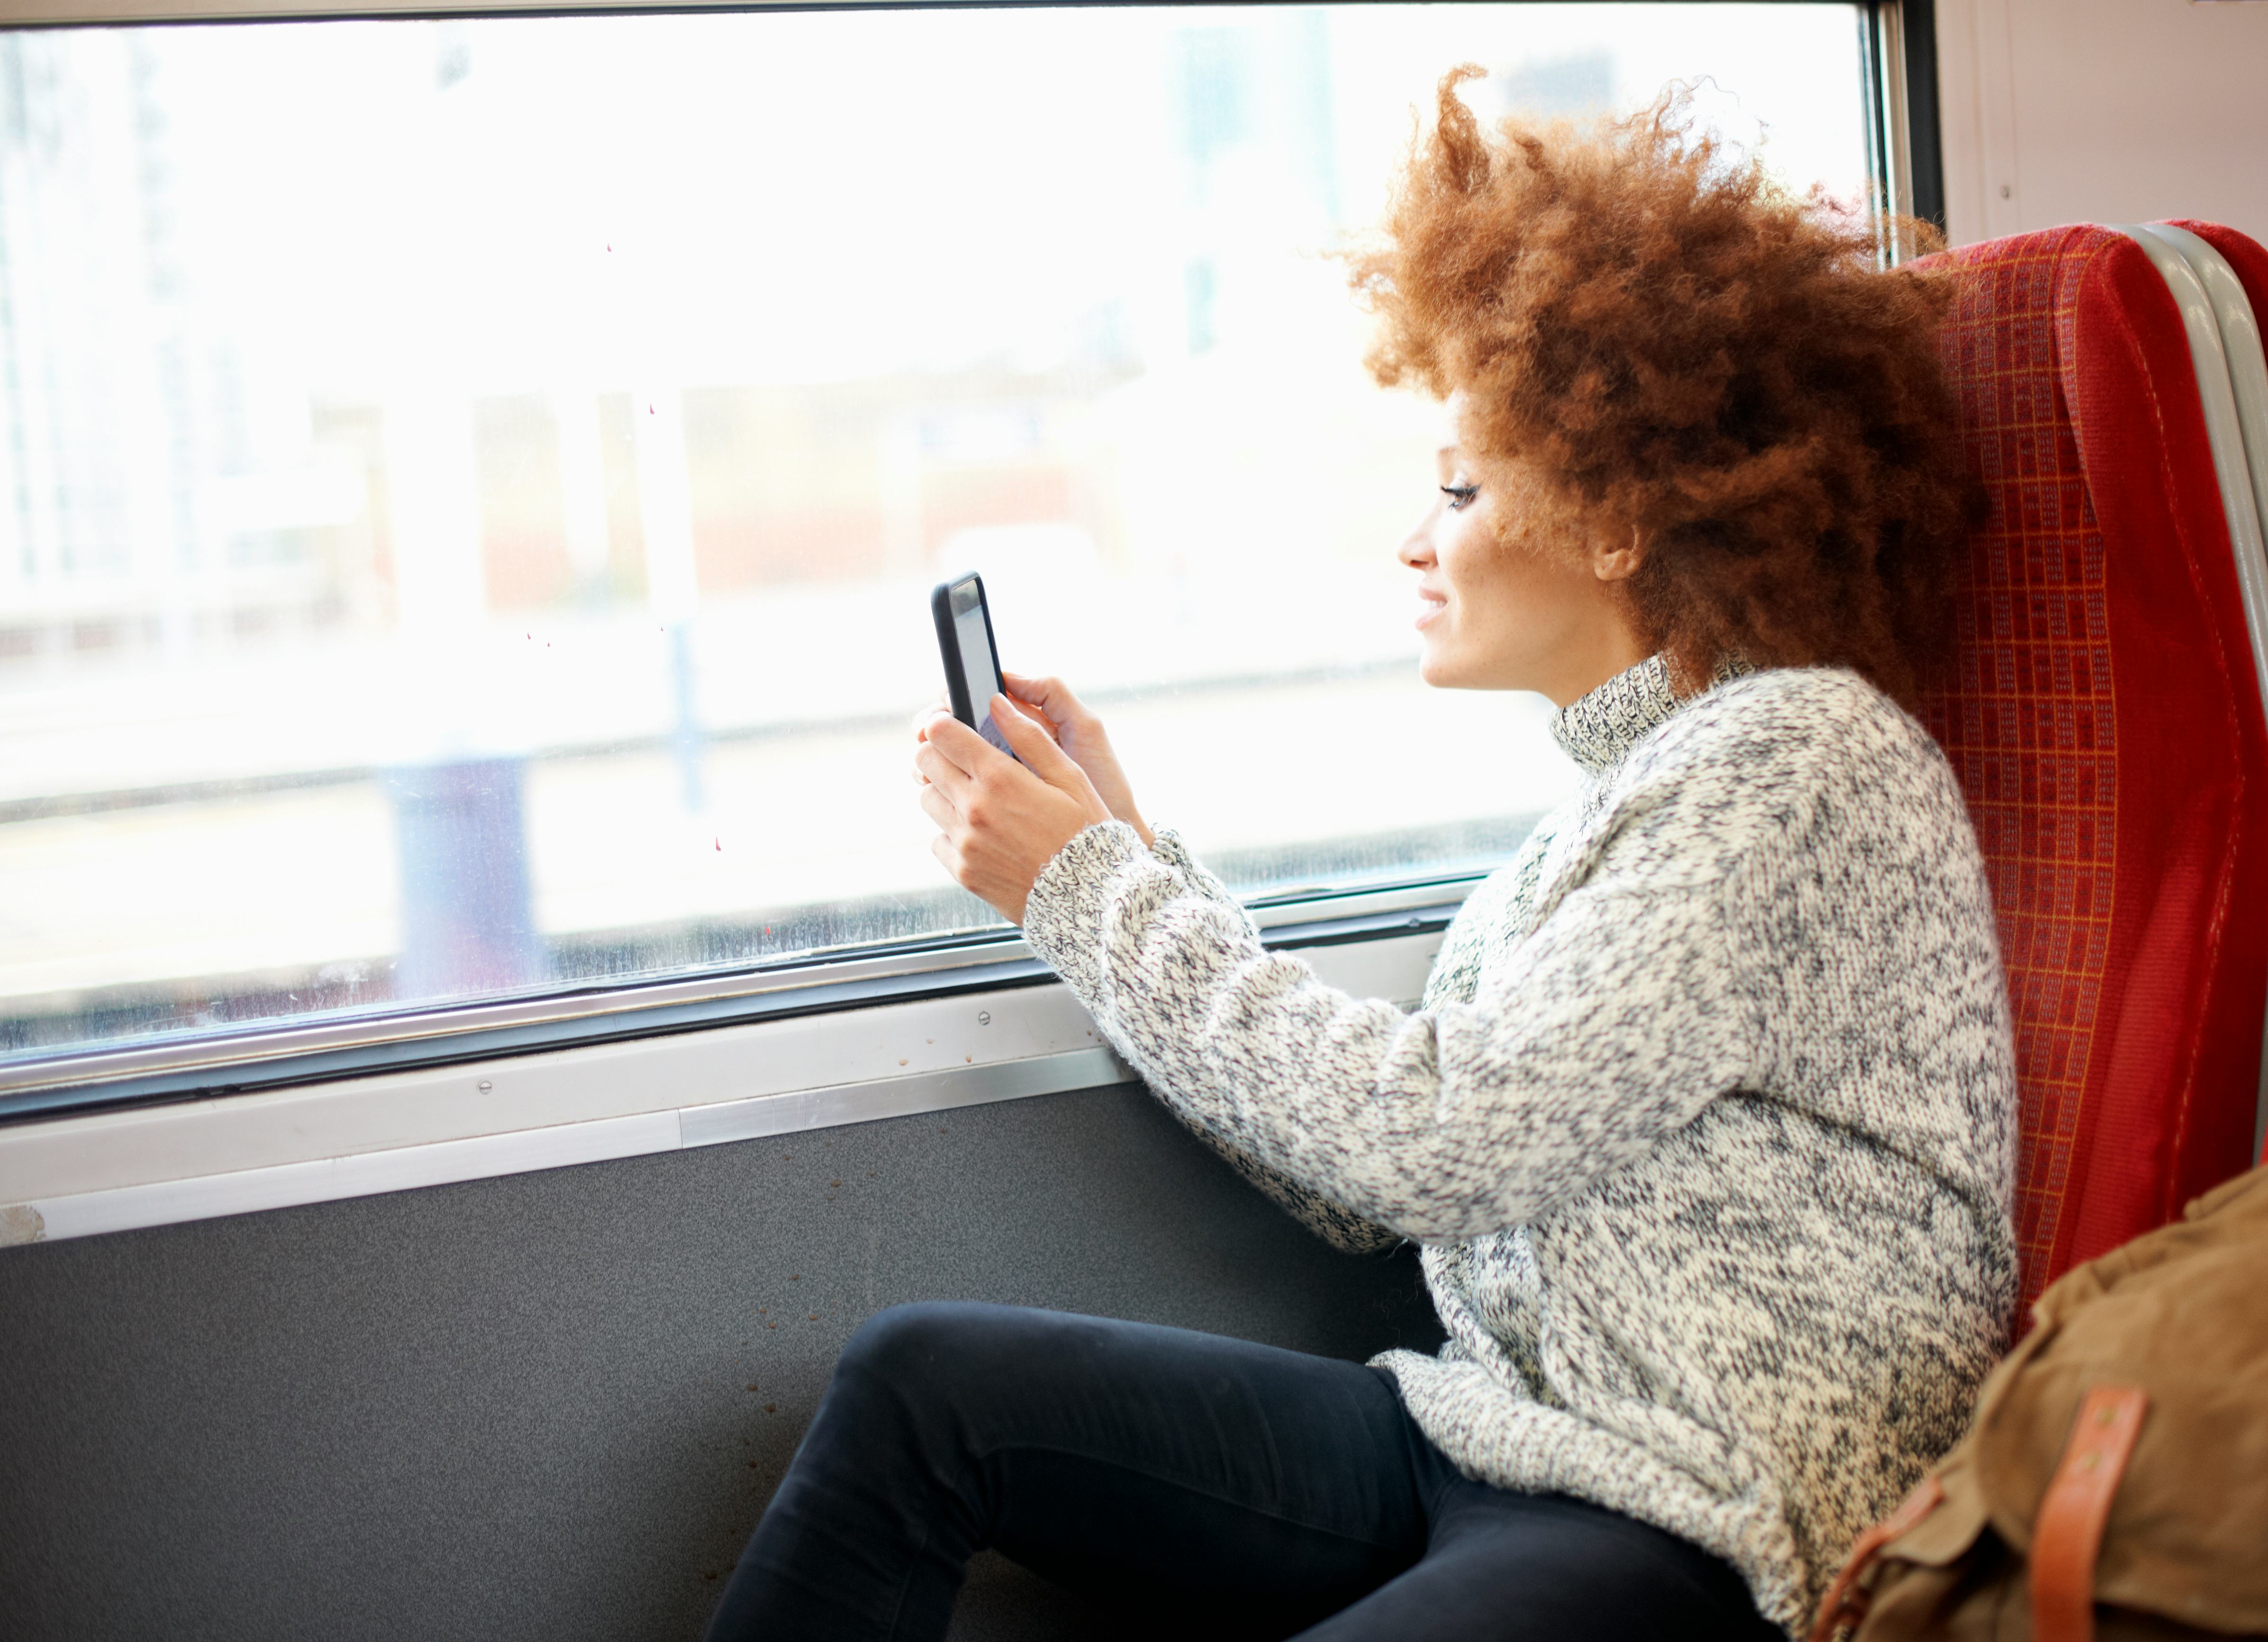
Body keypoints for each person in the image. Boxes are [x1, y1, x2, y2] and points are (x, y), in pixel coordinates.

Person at [705, 68, 2015, 1642]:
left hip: (1709, 1517)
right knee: (922, 1386)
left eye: (1460, 488)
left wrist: (1089, 888)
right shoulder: (1584, 838)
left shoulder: (1800, 760)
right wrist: (1124, 858)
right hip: (1487, 1440)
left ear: (1614, 517)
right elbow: (1372, 1193)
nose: (1415, 537)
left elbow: (1431, 1143)